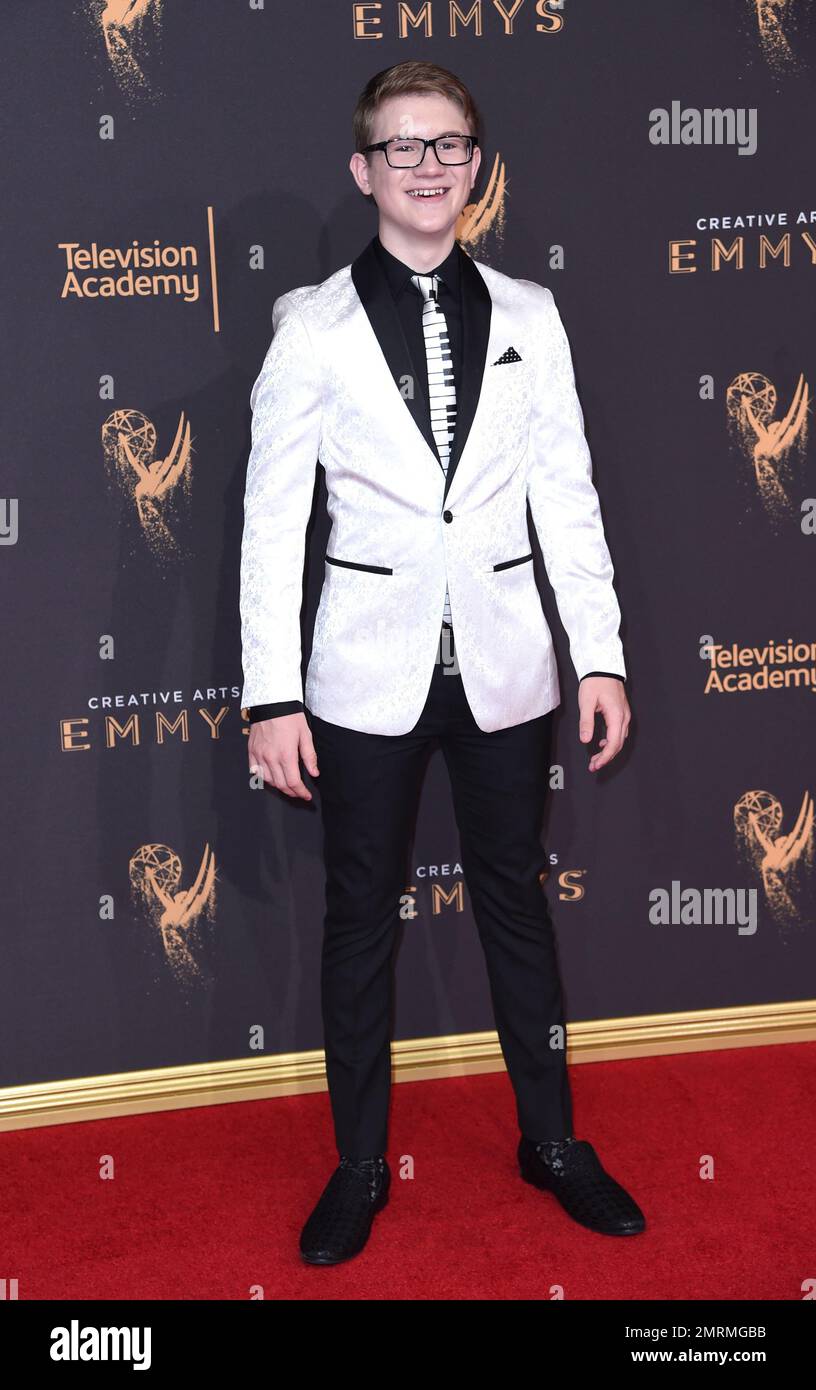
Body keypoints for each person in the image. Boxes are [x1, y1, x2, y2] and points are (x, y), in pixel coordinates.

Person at [239, 60, 644, 1266]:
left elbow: (566, 495)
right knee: (360, 916)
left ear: (477, 165)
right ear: (364, 170)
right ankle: (361, 1168)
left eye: (449, 145)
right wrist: (272, 695)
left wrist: (602, 656)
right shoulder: (309, 328)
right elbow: (272, 525)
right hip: (364, 672)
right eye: (404, 146)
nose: (428, 165)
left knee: (516, 902)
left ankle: (553, 1143)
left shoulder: (530, 315)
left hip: (510, 666)